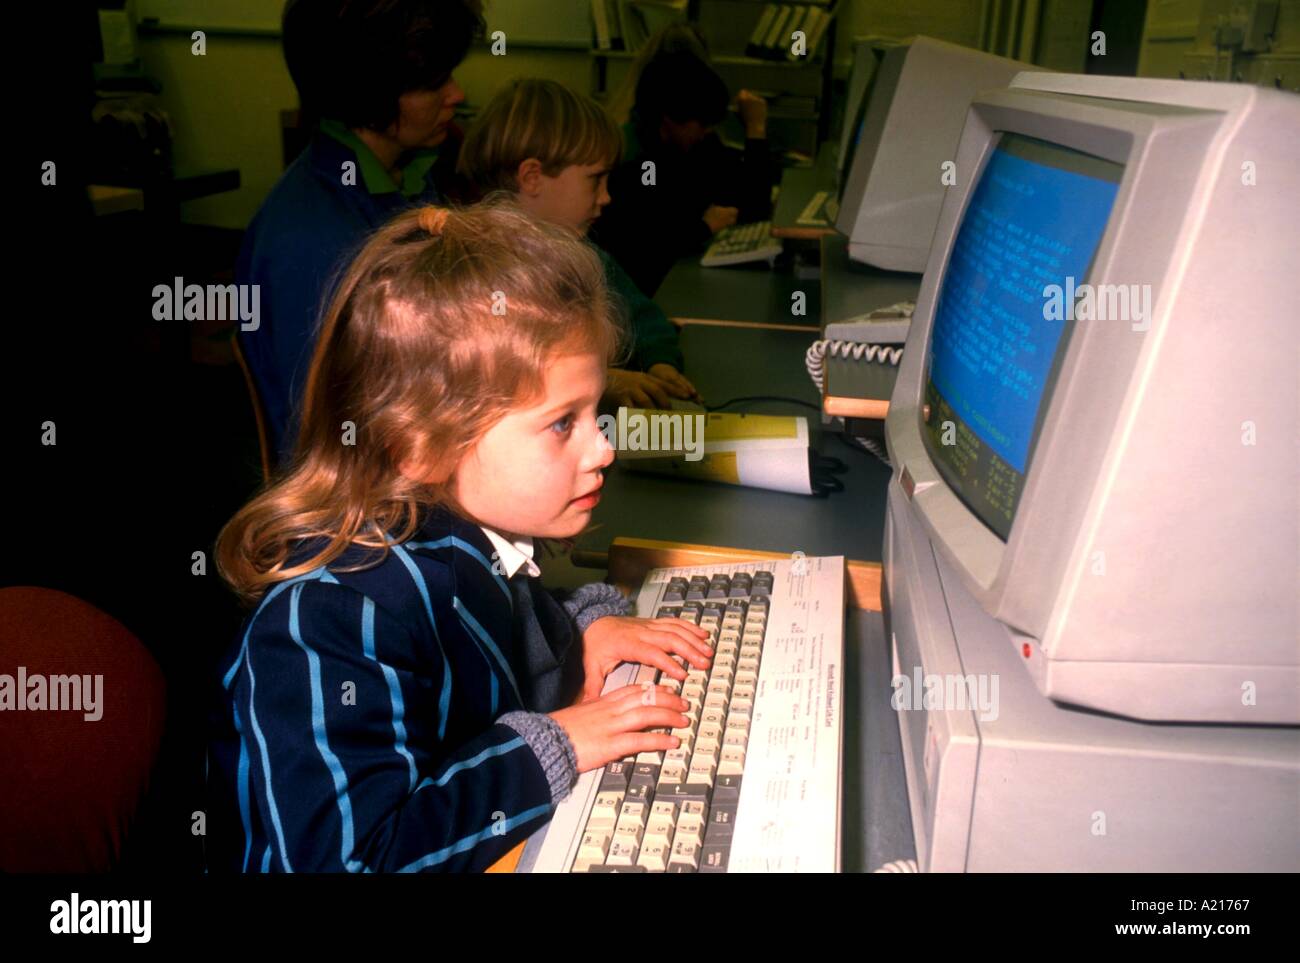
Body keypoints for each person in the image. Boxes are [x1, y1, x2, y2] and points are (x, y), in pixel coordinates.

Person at [208, 203, 714, 872]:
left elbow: (495, 652)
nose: (604, 447)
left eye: (597, 412)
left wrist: (580, 637)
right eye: (563, 423)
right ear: (421, 444)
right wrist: (552, 747)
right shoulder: (325, 624)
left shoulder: (466, 540)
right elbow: (354, 860)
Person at [237, 0, 481, 463]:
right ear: (372, 90)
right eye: (434, 82)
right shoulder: (311, 237)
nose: (457, 93)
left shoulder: (405, 181)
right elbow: (337, 441)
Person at [458, 77, 697, 408]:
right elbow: (494, 376)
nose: (606, 197)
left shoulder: (583, 256)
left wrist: (659, 361)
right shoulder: (472, 270)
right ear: (532, 178)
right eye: (595, 180)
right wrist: (604, 378)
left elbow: (641, 317)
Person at [590, 48, 776, 296]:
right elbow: (646, 246)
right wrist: (703, 228)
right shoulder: (634, 162)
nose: (706, 132)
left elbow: (753, 204)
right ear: (669, 120)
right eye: (700, 124)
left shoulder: (688, 146)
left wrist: (755, 129)